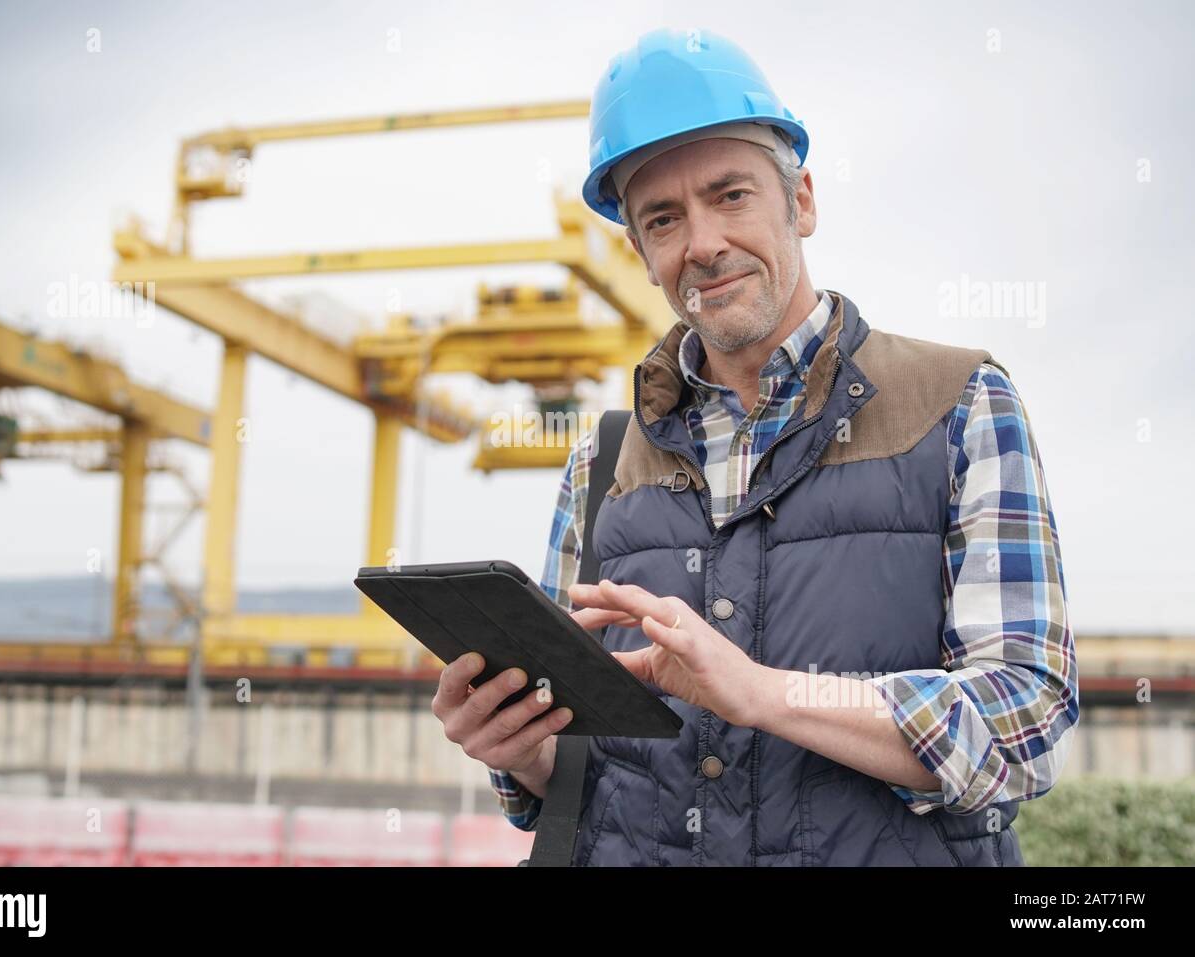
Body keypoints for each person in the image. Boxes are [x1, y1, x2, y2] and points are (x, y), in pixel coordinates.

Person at [431, 27, 1078, 866]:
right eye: (664, 218)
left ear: (800, 200)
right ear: (642, 252)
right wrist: (517, 746)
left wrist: (768, 695)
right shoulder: (602, 461)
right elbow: (583, 769)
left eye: (730, 195)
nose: (700, 243)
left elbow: (1022, 723)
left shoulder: (960, 406)